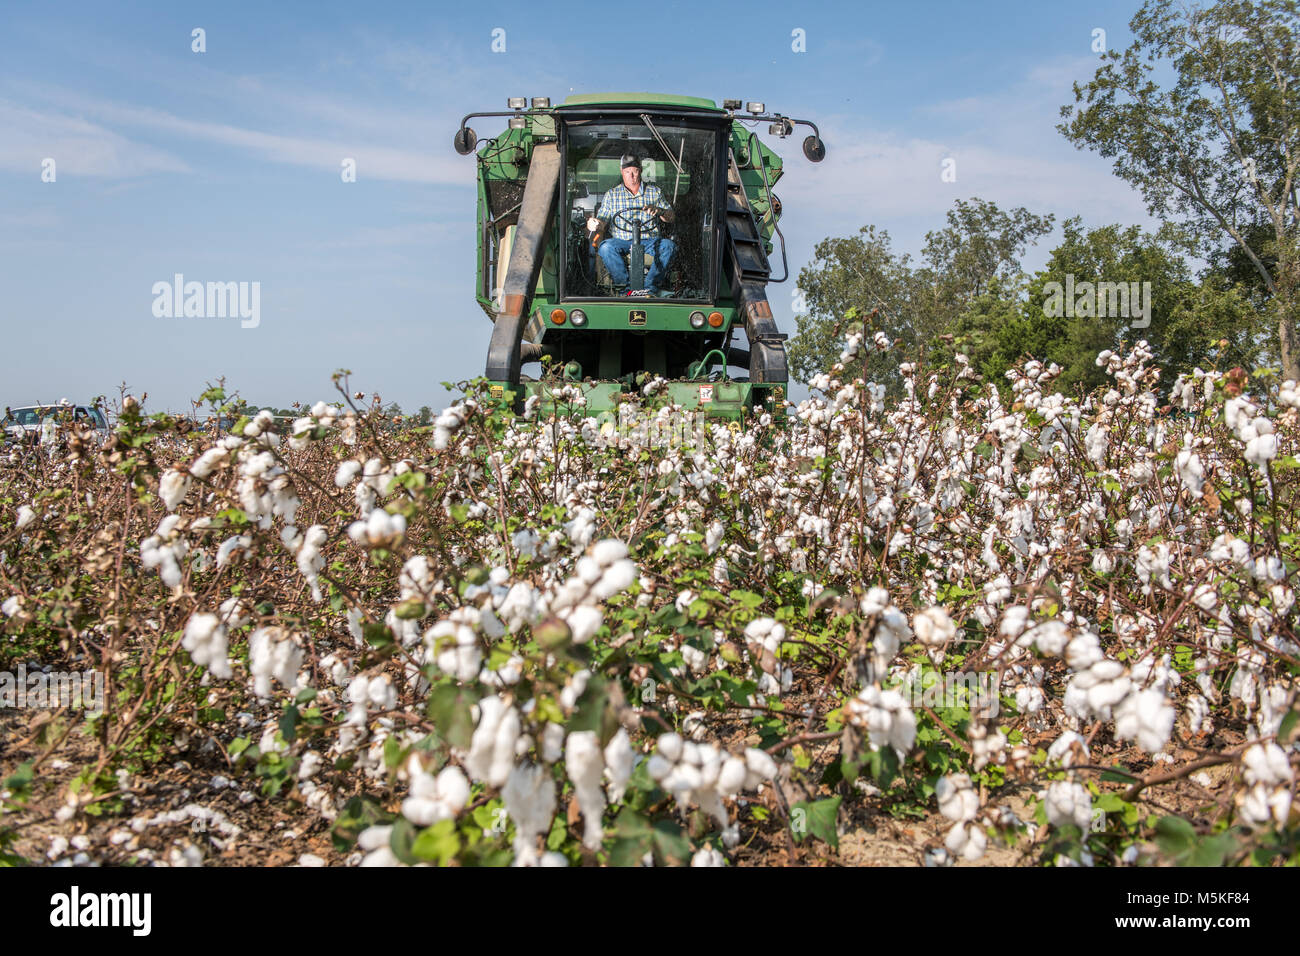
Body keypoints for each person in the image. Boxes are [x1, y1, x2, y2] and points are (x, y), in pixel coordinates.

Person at [589, 154, 676, 296]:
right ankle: (626, 289)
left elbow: (671, 217)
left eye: (634, 171)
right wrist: (594, 223)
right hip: (621, 241)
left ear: (640, 171)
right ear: (622, 172)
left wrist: (659, 211)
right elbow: (602, 221)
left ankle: (649, 288)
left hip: (649, 241)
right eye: (627, 171)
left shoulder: (655, 192)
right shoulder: (612, 195)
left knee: (669, 246)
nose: (631, 175)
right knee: (605, 247)